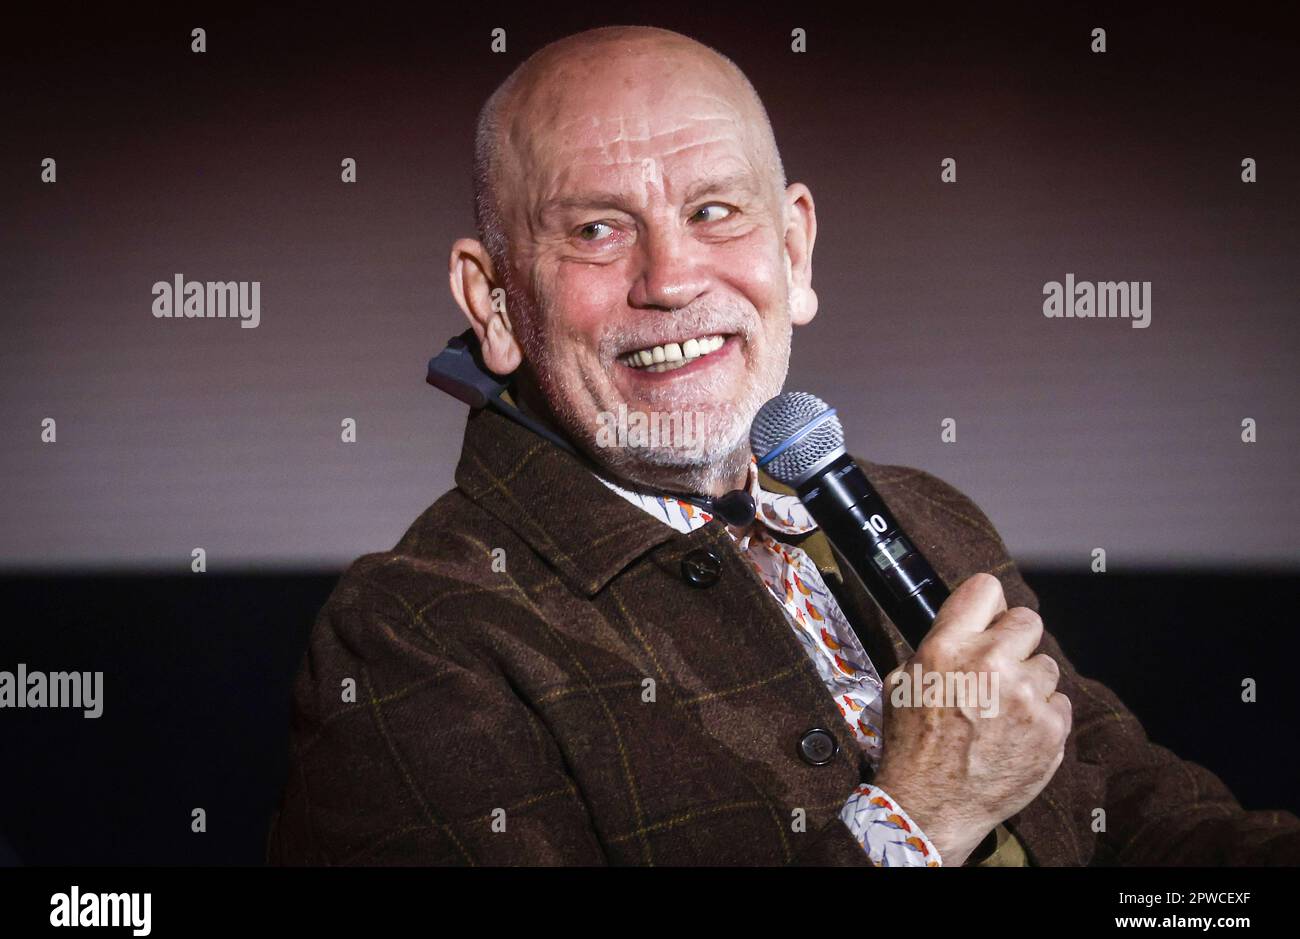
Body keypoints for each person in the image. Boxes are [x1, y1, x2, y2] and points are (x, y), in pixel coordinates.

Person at [267, 25, 1300, 866]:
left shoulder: (926, 514)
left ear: (795, 251)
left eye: (714, 210)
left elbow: (1133, 816)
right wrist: (913, 824)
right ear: (493, 303)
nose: (672, 279)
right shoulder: (411, 629)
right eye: (595, 231)